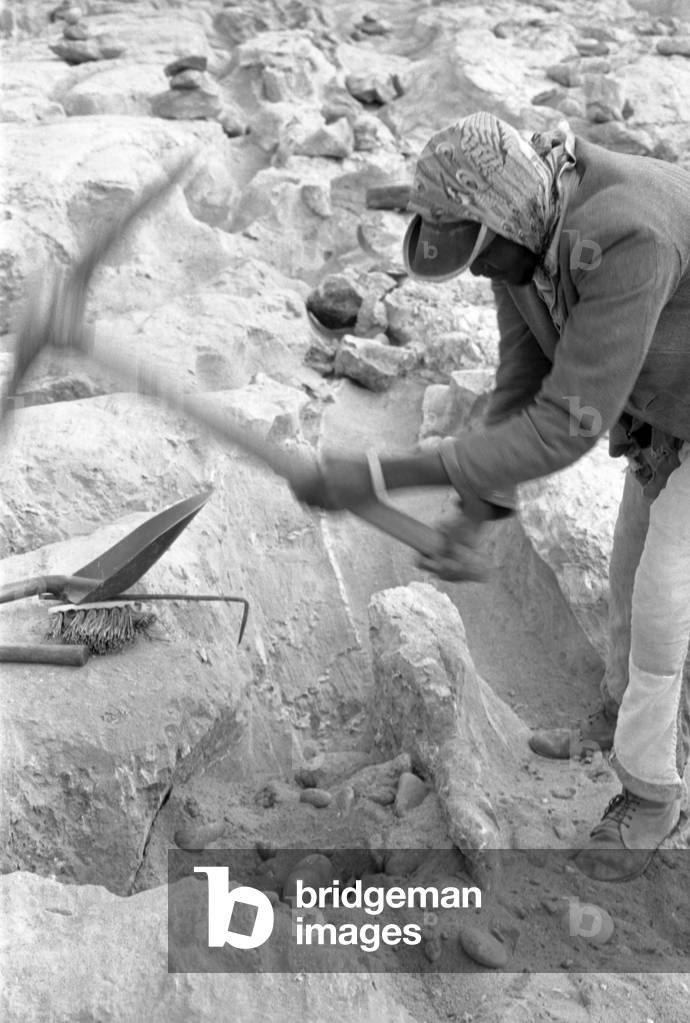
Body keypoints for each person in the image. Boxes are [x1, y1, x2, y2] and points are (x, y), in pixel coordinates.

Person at [291, 110, 690, 883]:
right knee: (629, 566)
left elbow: (564, 427)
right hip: (670, 412)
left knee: (664, 596)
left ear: (503, 220)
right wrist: (475, 514)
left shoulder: (627, 235)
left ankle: (651, 796)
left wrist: (381, 475)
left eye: (479, 254)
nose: (477, 273)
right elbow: (520, 390)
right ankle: (620, 717)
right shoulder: (526, 241)